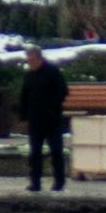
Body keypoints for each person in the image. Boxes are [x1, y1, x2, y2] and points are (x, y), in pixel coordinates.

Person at [18, 46, 72, 192]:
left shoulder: (53, 72)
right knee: (35, 152)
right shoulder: (29, 75)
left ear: (39, 58)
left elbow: (63, 91)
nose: (30, 63)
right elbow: (24, 96)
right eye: (28, 60)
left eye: (32, 60)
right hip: (35, 119)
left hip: (52, 118)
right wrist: (23, 115)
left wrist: (52, 106)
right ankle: (35, 182)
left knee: (56, 151)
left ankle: (59, 181)